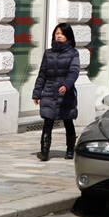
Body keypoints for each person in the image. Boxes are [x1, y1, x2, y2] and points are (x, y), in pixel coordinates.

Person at [33, 23, 81, 160]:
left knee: (67, 121)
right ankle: (44, 151)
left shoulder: (73, 53)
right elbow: (42, 74)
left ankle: (70, 150)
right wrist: (37, 93)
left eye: (62, 33)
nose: (59, 36)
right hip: (49, 91)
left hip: (66, 93)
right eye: (57, 33)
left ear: (68, 36)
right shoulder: (48, 53)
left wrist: (66, 85)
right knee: (48, 121)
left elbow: (74, 71)